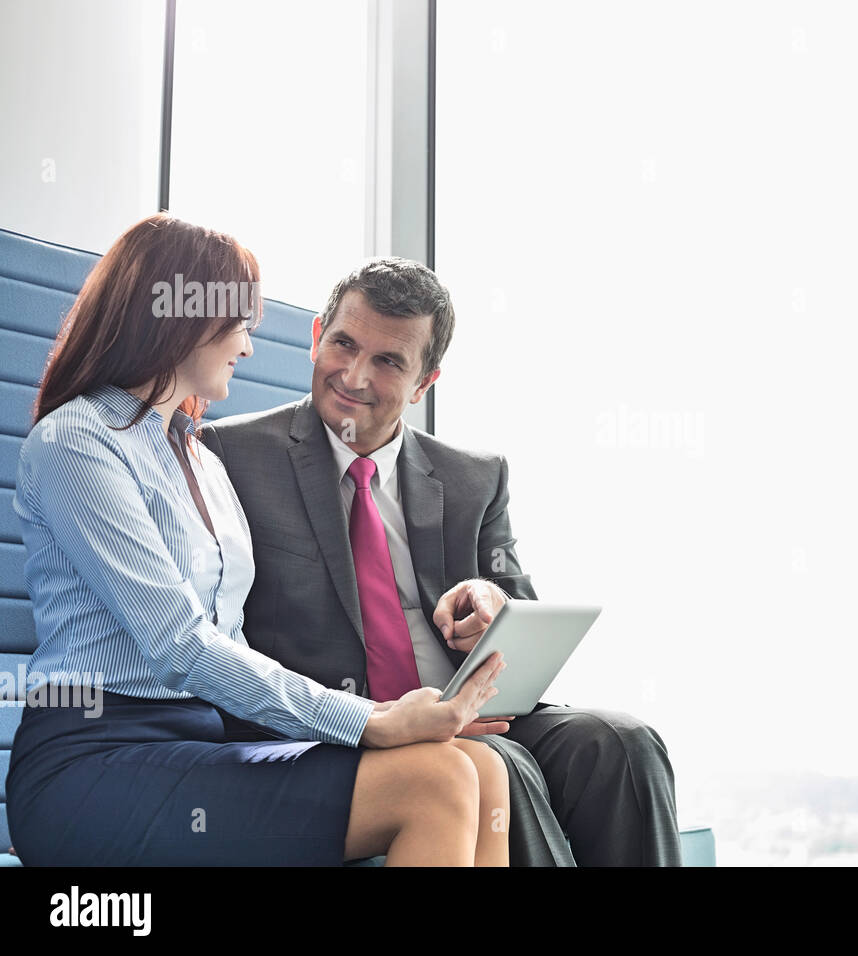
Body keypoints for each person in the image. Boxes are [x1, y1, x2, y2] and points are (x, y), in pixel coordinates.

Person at [4, 214, 512, 866]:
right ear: (181, 318)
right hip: (94, 763)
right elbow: (182, 645)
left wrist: (395, 718)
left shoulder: (200, 459)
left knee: (477, 765)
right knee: (433, 783)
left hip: (203, 744)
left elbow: (231, 642)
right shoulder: (78, 442)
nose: (246, 347)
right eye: (239, 324)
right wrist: (373, 722)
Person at [200, 257, 683, 866]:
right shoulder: (232, 455)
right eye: (344, 344)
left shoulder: (473, 477)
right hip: (347, 723)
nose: (353, 375)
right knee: (499, 768)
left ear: (425, 381)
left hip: (469, 707)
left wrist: (493, 603)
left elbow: (525, 628)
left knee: (621, 743)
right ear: (317, 334)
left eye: (388, 361)